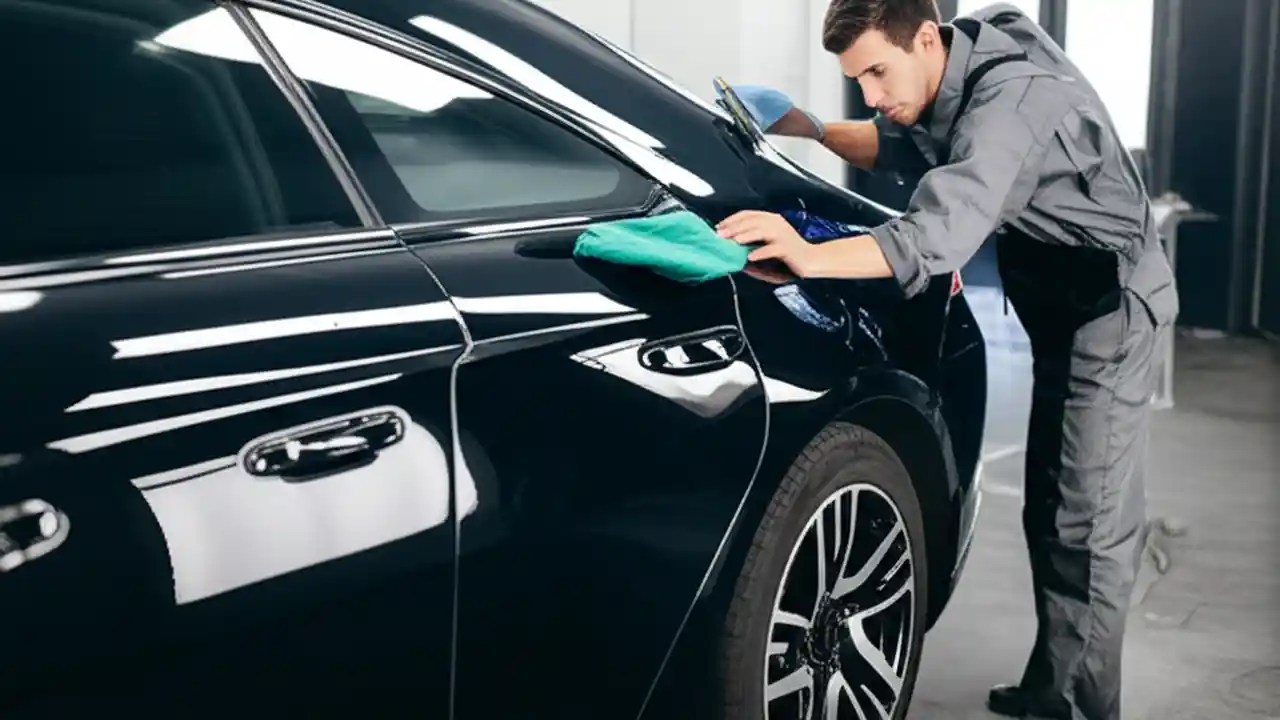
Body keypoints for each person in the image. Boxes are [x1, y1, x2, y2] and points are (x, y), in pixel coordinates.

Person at [715, 2, 1179, 719]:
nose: (871, 94)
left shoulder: (1009, 104)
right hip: (1064, 303)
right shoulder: (959, 60)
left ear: (926, 38)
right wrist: (809, 127)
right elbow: (898, 143)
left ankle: (1086, 708)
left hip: (1111, 311)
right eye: (857, 78)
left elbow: (931, 238)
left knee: (1087, 523)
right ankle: (1054, 687)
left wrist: (806, 254)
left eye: (877, 72)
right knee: (1052, 505)